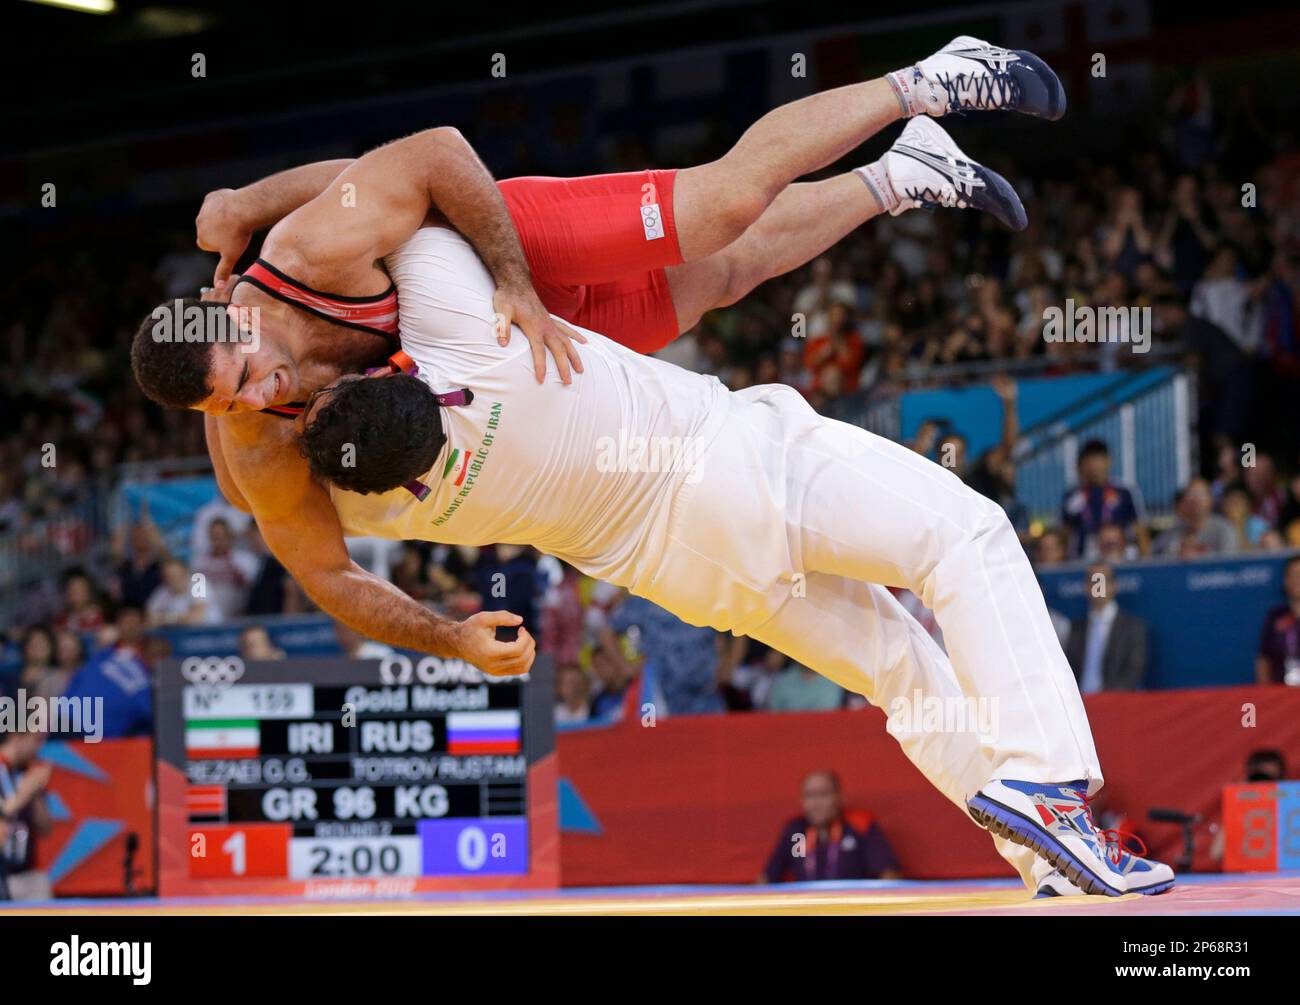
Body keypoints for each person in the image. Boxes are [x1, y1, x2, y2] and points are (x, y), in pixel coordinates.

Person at [288, 224, 1173, 897]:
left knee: (901, 673)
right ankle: (1046, 783)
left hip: (689, 574)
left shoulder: (399, 502)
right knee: (967, 535)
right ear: (395, 378)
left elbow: (319, 541)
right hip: (727, 467)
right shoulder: (466, 342)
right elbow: (409, 199)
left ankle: (1048, 862)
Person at [762, 770, 901, 883]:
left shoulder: (860, 826)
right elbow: (766, 880)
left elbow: (890, 877)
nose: (816, 804)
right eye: (810, 796)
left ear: (839, 796)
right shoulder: (795, 831)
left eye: (823, 794)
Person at [1064, 564, 1148, 693]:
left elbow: (1133, 671)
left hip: (1115, 703)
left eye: (1102, 580)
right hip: (1080, 703)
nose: (1098, 587)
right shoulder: (1076, 628)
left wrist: (1107, 699)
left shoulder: (1132, 627)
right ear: (1086, 587)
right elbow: (1068, 669)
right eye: (1093, 581)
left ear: (1114, 586)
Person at [1060, 440, 1147, 558]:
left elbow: (1140, 529)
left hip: (1119, 557)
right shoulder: (1072, 495)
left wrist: (1145, 558)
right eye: (1088, 461)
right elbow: (1065, 533)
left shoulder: (1124, 492)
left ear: (1108, 460)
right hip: (1083, 558)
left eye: (1097, 460)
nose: (1093, 466)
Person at [1255, 555, 1300, 685]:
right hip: (1281, 691)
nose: (1298, 580)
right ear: (1286, 581)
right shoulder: (1276, 617)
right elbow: (1264, 659)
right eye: (1293, 575)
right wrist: (1265, 694)